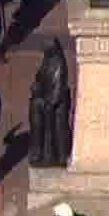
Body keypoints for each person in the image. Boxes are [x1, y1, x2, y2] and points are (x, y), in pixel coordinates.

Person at [28, 38, 71, 167]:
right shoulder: (48, 60)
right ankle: (40, 152)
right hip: (46, 100)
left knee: (55, 129)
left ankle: (55, 156)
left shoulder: (58, 62)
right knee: (36, 114)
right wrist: (36, 86)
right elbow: (41, 78)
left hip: (55, 104)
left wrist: (48, 103)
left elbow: (58, 88)